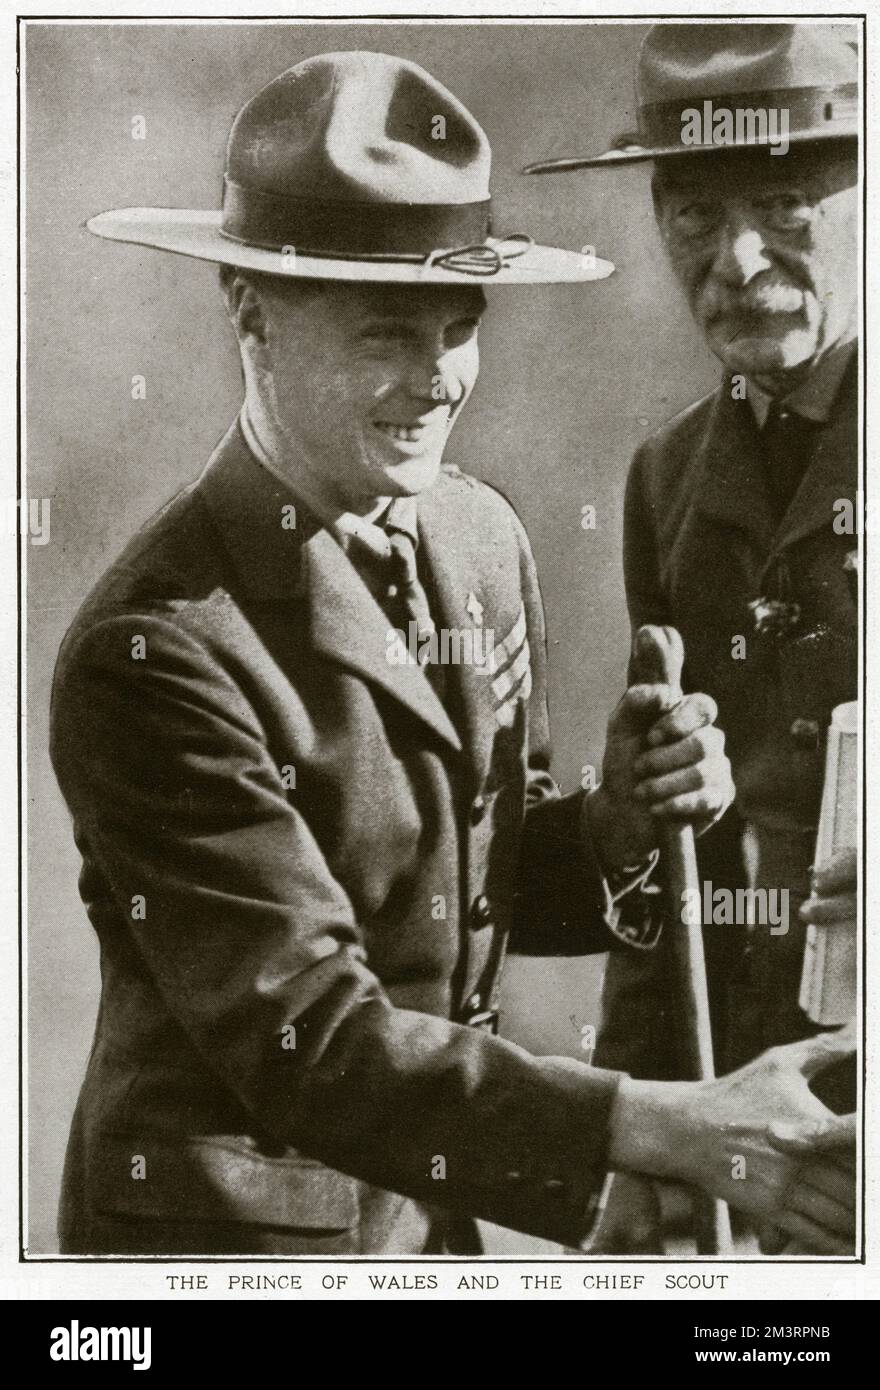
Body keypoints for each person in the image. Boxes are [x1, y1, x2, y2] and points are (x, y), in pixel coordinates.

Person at [51, 49, 853, 1257]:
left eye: (459, 326)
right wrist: (658, 1128)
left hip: (428, 1233)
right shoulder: (155, 650)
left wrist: (619, 826)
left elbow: (487, 876)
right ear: (251, 316)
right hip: (234, 1253)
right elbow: (312, 1036)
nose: (437, 384)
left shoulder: (474, 538)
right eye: (386, 335)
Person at [526, 21, 859, 1252]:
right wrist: (641, 1132)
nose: (738, 261)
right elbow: (666, 848)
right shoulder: (667, 478)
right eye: (693, 216)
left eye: (785, 204)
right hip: (767, 1128)